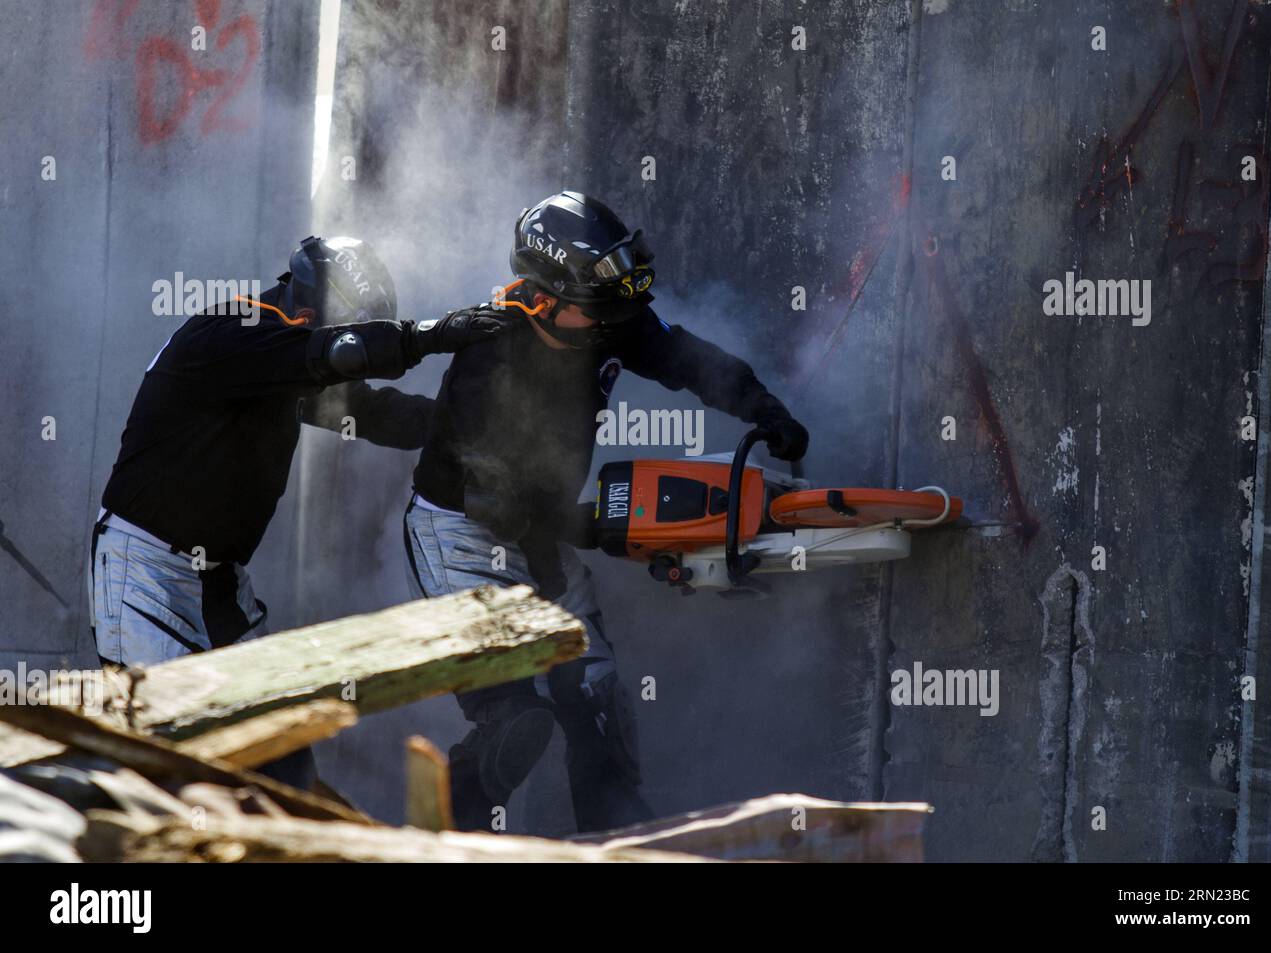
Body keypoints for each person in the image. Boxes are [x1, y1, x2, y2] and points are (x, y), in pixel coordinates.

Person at [404, 192, 810, 832]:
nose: (621, 317)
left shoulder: (610, 315)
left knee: (595, 698)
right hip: (463, 534)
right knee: (517, 720)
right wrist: (595, 526)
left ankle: (616, 837)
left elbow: (688, 360)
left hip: (542, 530)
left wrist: (766, 409)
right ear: (543, 296)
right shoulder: (489, 352)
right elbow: (500, 501)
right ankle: (442, 840)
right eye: (602, 304)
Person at [90, 236, 508, 672]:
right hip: (145, 569)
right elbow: (339, 354)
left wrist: (469, 428)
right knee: (162, 732)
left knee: (276, 731)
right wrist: (434, 335)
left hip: (217, 579)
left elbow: (370, 413)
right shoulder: (234, 331)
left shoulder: (277, 358)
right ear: (310, 313)